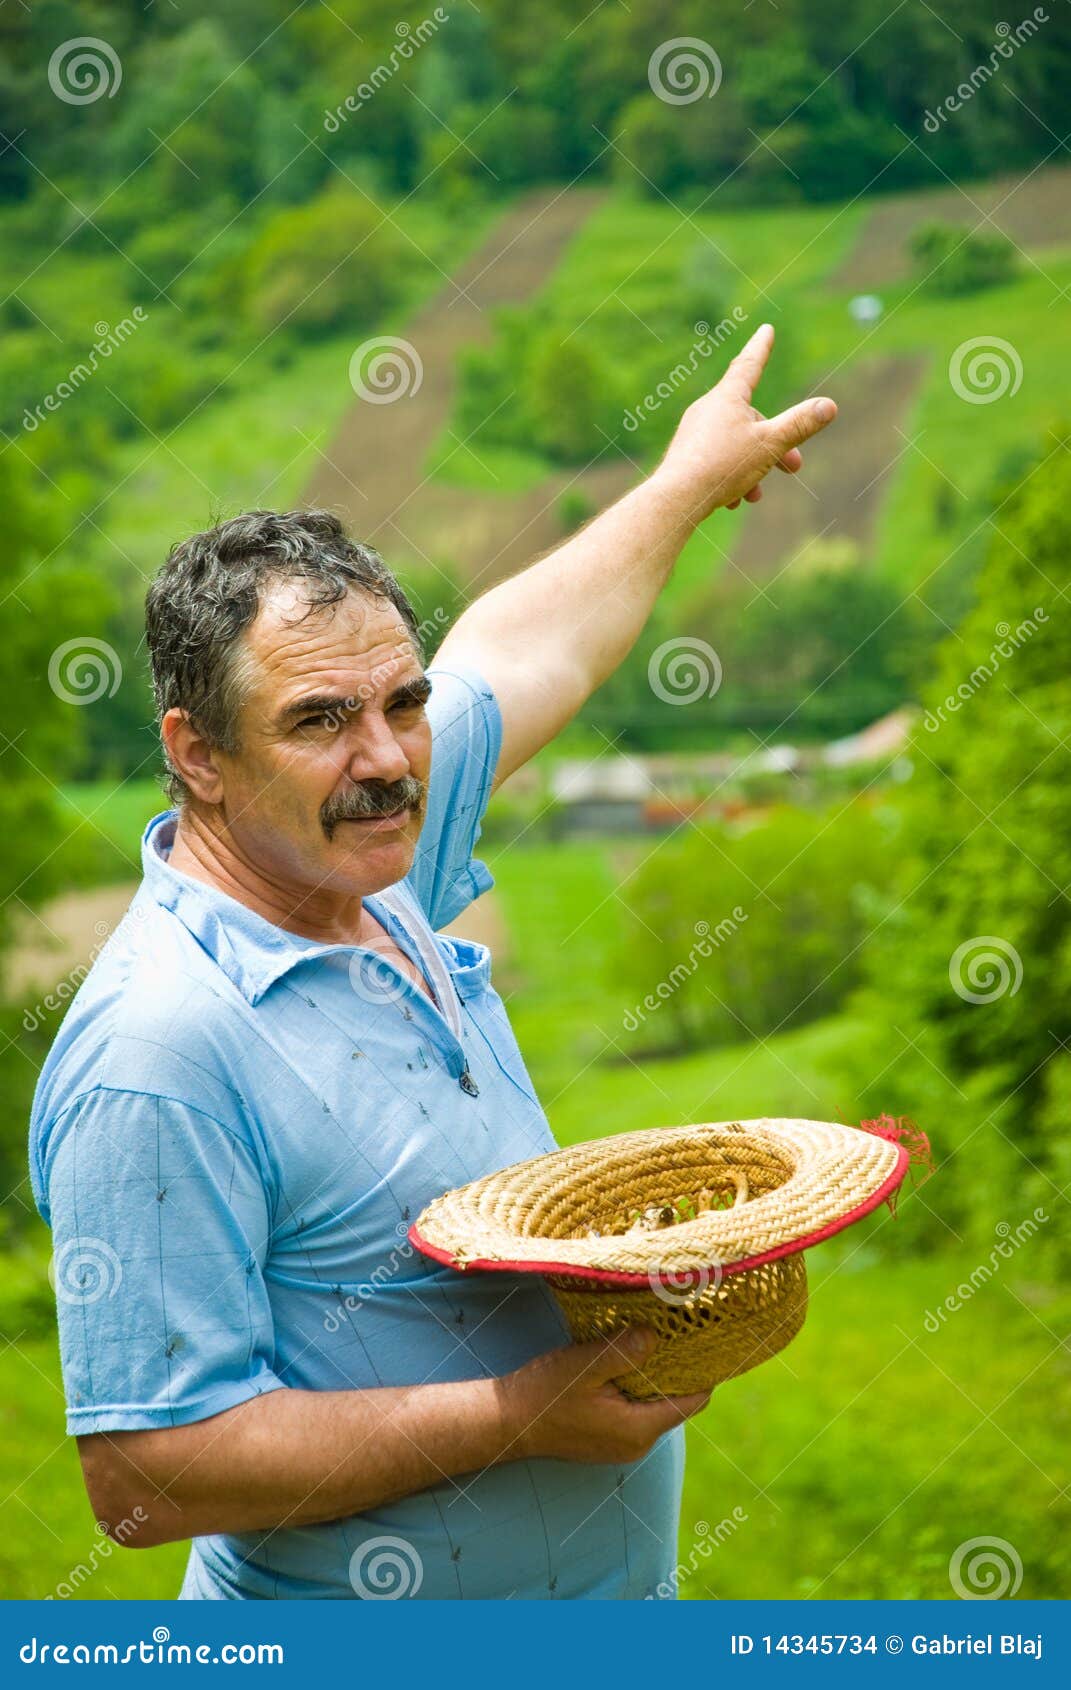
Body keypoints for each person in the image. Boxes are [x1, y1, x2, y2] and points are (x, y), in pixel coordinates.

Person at [29, 325, 836, 1599]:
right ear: (197, 754)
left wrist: (687, 480)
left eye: (401, 701)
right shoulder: (160, 1049)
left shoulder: (357, 850)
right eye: (320, 720)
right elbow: (149, 1477)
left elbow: (526, 649)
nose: (392, 757)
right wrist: (524, 1410)